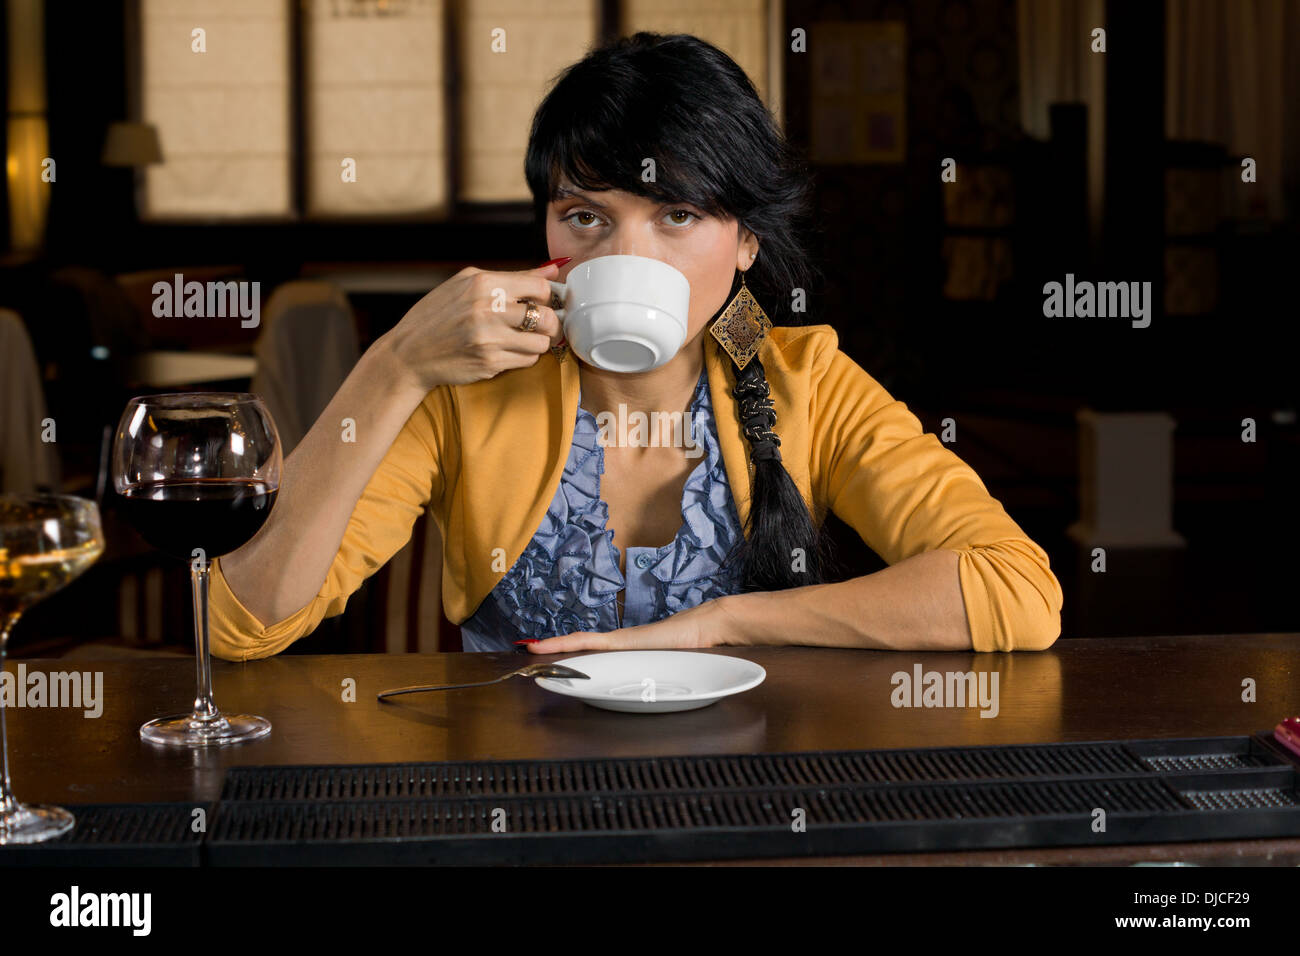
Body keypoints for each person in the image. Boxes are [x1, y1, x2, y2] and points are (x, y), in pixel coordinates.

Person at [209, 32, 1062, 661]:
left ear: (746, 244)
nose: (625, 257)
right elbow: (238, 625)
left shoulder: (809, 383)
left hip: (747, 801)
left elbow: (1016, 590)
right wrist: (395, 363)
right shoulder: (467, 392)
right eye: (586, 216)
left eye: (678, 216)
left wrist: (724, 623)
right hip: (515, 803)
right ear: (547, 230)